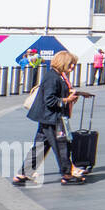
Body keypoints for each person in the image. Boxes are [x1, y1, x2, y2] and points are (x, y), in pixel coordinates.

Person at [12, 51, 89, 187]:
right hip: (53, 118)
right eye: (71, 64)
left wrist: (75, 94)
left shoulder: (55, 75)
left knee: (40, 146)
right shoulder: (53, 77)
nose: (72, 67)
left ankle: (24, 173)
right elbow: (50, 100)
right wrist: (67, 99)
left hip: (47, 118)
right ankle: (66, 174)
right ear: (63, 62)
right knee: (62, 146)